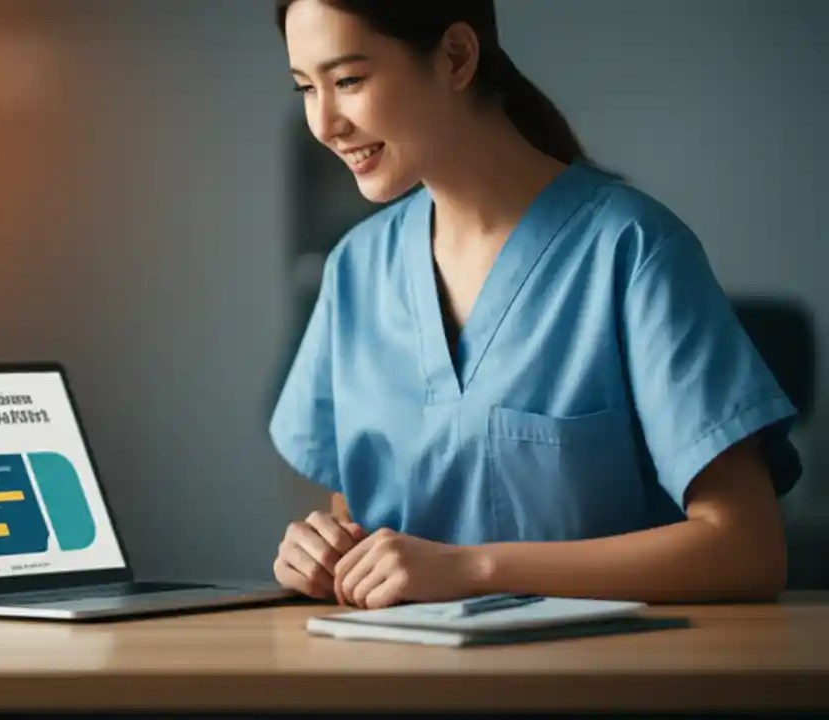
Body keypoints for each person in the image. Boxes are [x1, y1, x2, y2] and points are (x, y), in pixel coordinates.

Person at [268, 0, 801, 609]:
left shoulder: (631, 249)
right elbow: (362, 507)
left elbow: (747, 551)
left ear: (456, 56)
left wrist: (475, 569)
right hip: (396, 679)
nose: (325, 122)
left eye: (348, 81)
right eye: (306, 88)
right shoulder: (355, 270)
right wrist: (328, 551)